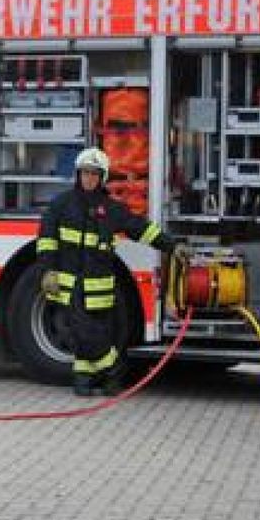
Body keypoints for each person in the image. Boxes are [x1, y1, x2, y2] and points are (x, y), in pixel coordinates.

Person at [36, 147, 186, 396]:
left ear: (102, 177)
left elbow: (141, 229)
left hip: (100, 289)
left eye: (94, 174)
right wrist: (47, 271)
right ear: (77, 174)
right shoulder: (60, 205)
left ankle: (85, 378)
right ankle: (114, 368)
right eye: (85, 173)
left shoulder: (112, 209)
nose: (89, 178)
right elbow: (46, 240)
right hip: (69, 285)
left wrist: (172, 246)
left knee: (93, 334)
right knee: (79, 331)